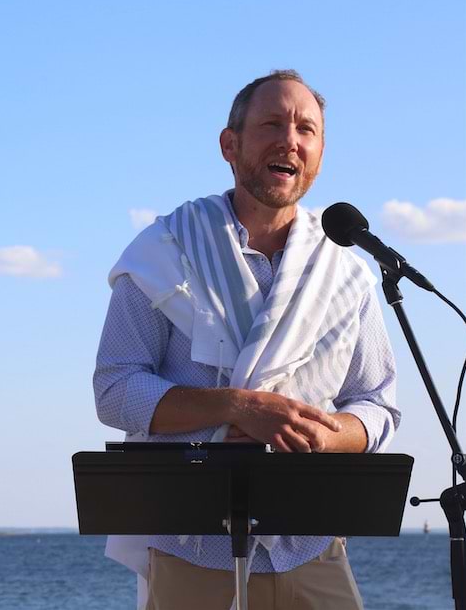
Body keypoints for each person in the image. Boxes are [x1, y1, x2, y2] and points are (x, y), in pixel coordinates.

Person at [93, 70, 399, 610]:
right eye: (272, 124)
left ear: (320, 154)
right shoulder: (163, 252)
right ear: (229, 145)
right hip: (192, 550)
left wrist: (323, 436)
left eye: (306, 129)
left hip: (312, 546)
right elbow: (115, 390)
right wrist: (239, 407)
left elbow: (377, 405)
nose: (290, 141)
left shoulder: (346, 273)